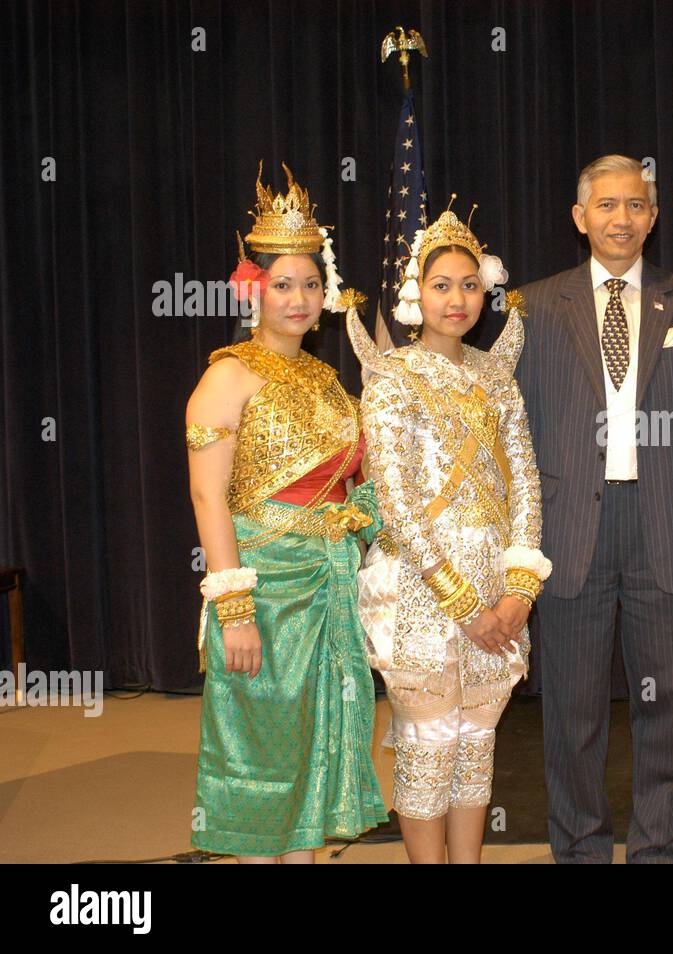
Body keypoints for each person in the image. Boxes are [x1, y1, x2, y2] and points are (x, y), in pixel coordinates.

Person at [517, 154, 673, 863]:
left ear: (653, 216)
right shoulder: (534, 306)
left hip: (667, 530)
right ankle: (579, 847)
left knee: (664, 707)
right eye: (606, 206)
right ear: (580, 218)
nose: (621, 218)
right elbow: (513, 432)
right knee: (572, 712)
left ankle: (656, 849)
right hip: (568, 530)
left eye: (635, 205)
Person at [187, 162, 388, 862]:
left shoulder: (328, 378)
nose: (299, 299)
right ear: (253, 290)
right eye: (283, 285)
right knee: (261, 751)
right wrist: (234, 609)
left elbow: (353, 480)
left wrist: (365, 515)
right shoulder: (227, 374)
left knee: (314, 744)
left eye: (310, 283)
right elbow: (209, 495)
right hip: (264, 590)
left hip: (325, 588)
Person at [347, 199, 548, 864]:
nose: (457, 299)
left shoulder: (497, 378)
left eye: (469, 285)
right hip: (419, 590)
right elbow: (397, 502)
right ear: (416, 294)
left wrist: (519, 591)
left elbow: (526, 483)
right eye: (442, 286)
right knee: (429, 746)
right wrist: (461, 601)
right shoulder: (391, 377)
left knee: (477, 743)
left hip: (497, 585)